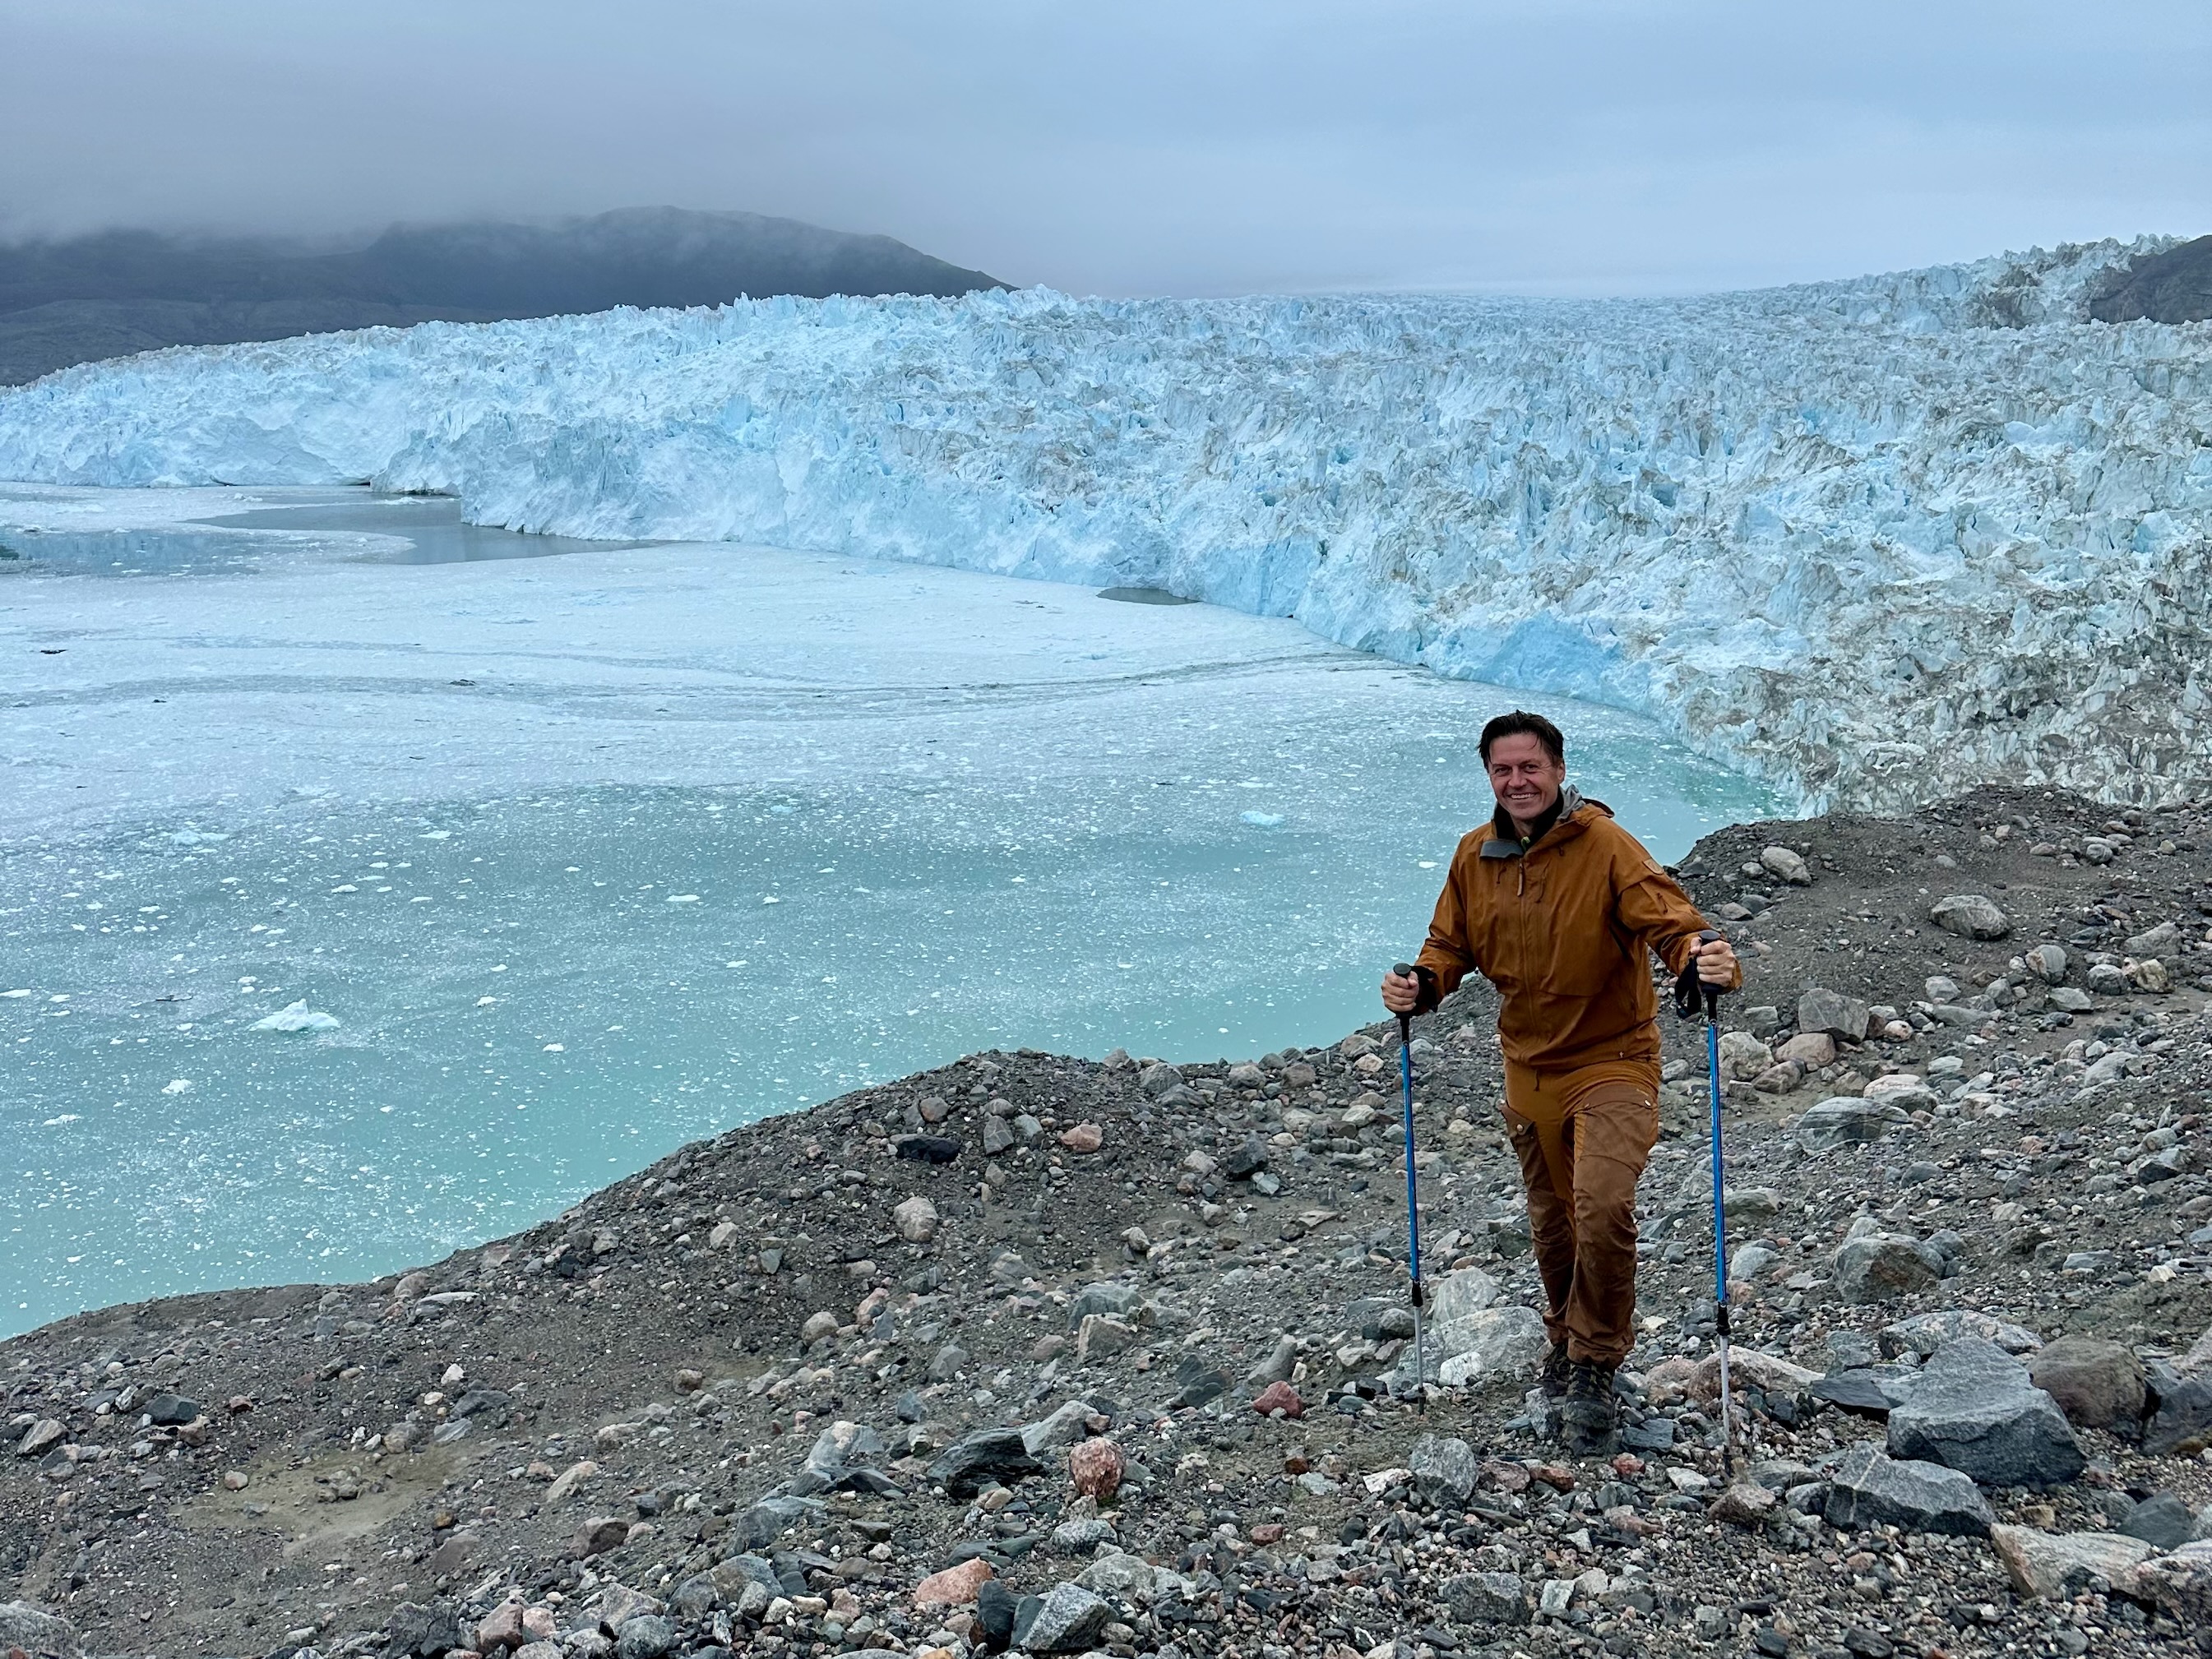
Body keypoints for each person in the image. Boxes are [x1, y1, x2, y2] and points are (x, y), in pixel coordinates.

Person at [1381, 709, 1739, 1453]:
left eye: (1530, 767)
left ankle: (1596, 1361)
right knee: (1553, 1225)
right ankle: (1566, 1341)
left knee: (1602, 1205)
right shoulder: (1473, 856)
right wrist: (1422, 982)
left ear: (1558, 770)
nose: (1517, 781)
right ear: (1489, 777)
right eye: (1503, 770)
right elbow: (1450, 945)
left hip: (1613, 1057)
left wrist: (1702, 958)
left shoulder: (1603, 844)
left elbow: (1671, 922)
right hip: (1530, 1066)